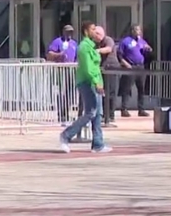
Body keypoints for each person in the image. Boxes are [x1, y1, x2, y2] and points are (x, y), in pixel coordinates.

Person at [58, 22, 111, 154]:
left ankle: (98, 144)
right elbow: (88, 68)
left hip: (95, 82)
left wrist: (99, 83)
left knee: (97, 114)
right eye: (93, 29)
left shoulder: (92, 46)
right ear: (86, 32)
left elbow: (95, 67)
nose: (95, 32)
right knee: (91, 112)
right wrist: (96, 82)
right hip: (87, 82)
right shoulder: (84, 47)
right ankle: (66, 135)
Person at [46, 25, 79, 125]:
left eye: (71, 32)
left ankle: (67, 112)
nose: (69, 34)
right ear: (63, 32)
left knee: (70, 92)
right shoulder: (57, 42)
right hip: (61, 69)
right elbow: (49, 54)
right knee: (61, 92)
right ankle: (61, 114)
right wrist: (59, 55)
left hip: (71, 69)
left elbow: (77, 56)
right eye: (67, 32)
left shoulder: (74, 43)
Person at [118, 25, 152, 118]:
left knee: (141, 89)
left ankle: (141, 109)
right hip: (130, 67)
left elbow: (147, 49)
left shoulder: (141, 41)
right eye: (137, 30)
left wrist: (148, 49)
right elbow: (119, 55)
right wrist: (126, 64)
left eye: (140, 30)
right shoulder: (126, 41)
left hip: (140, 67)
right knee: (127, 88)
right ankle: (124, 109)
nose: (139, 31)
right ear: (132, 31)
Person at [97, 27, 121, 127]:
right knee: (103, 92)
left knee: (111, 92)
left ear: (100, 34)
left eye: (96, 34)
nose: (95, 37)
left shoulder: (108, 40)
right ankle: (105, 114)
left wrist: (97, 51)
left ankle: (110, 115)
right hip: (103, 69)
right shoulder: (97, 43)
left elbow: (108, 49)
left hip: (112, 68)